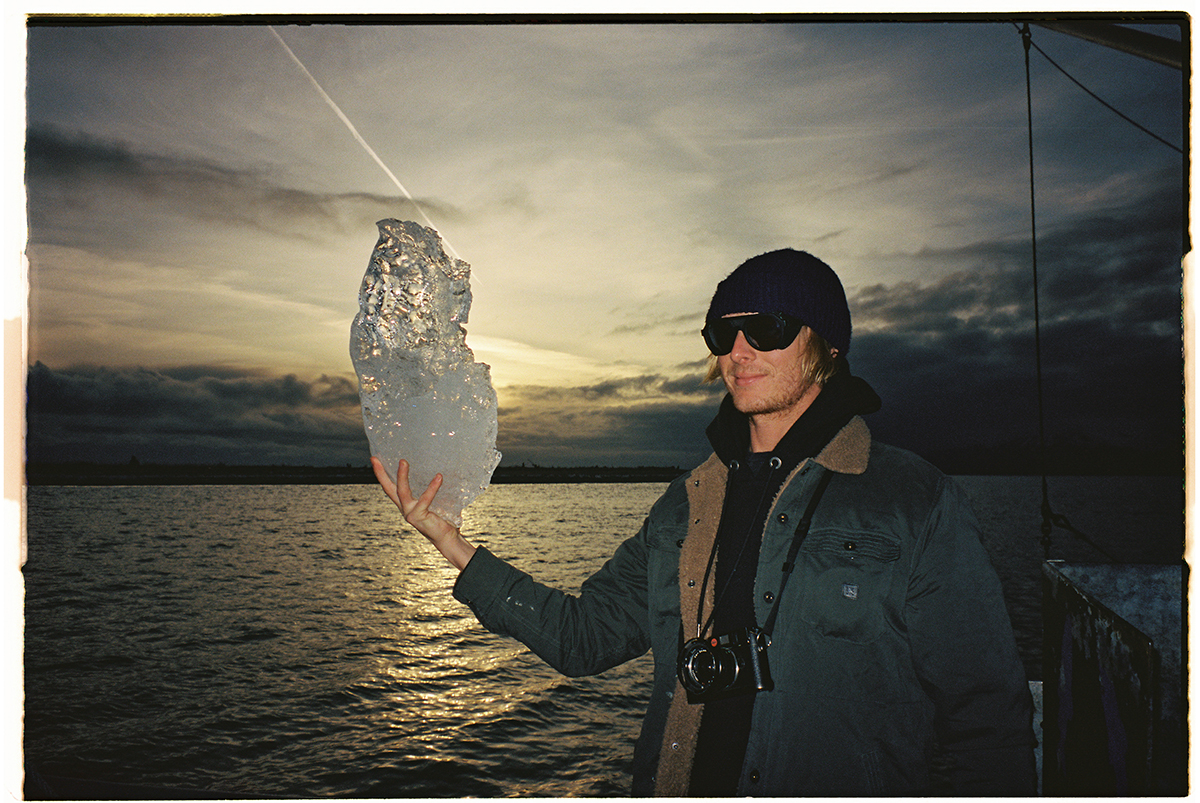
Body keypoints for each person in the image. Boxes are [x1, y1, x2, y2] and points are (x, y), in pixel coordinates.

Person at [372, 249, 1037, 796]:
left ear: (827, 348)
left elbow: (988, 720)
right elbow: (583, 636)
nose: (739, 352)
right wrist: (450, 542)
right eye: (724, 334)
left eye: (768, 328)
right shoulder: (684, 504)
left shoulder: (911, 498)